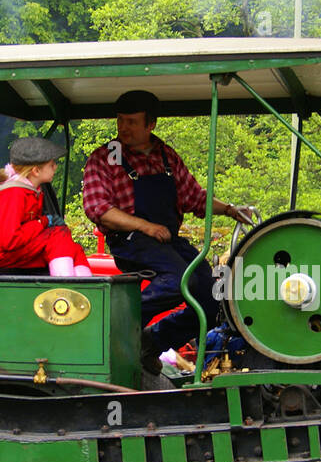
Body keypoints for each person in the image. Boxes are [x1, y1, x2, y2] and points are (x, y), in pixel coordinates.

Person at [82, 90, 253, 371]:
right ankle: (106, 325)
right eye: (120, 120)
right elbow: (98, 209)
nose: (123, 128)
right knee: (179, 280)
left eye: (132, 122)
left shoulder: (166, 156)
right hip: (130, 241)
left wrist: (231, 210)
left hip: (167, 241)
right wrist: (145, 226)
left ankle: (151, 342)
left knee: (214, 300)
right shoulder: (105, 158)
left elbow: (195, 198)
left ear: (151, 124)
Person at [0, 137, 92, 275]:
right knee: (58, 236)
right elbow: (10, 240)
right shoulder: (13, 195)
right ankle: (64, 282)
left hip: (10, 250)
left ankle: (84, 286)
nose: (55, 167)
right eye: (51, 165)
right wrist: (42, 222)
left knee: (73, 248)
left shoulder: (31, 193)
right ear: (36, 171)